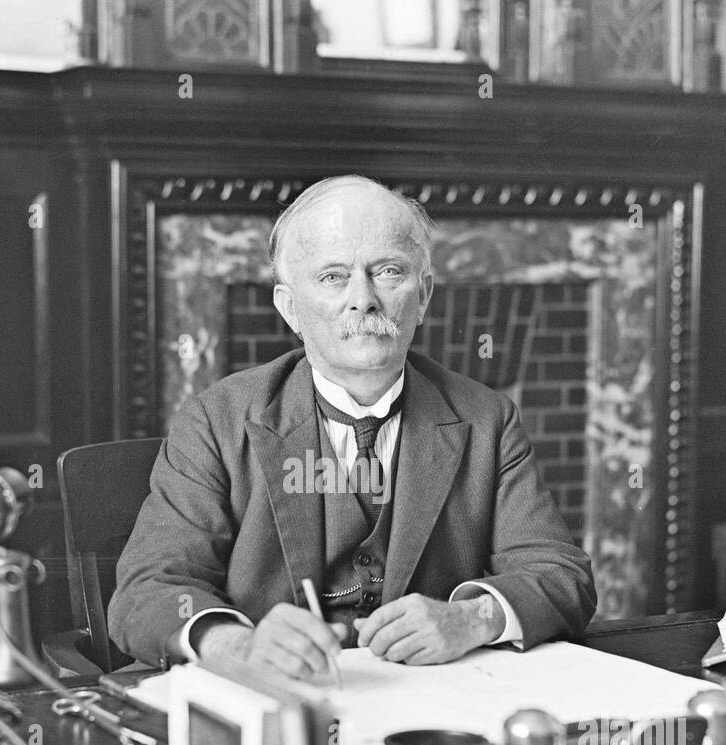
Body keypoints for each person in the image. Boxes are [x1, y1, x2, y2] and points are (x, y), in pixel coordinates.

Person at [108, 174, 595, 682]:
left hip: (432, 715)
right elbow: (148, 590)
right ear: (289, 307)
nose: (363, 299)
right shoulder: (215, 421)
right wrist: (236, 643)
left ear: (423, 295)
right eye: (333, 277)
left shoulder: (488, 420)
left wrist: (473, 618)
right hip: (279, 711)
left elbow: (562, 577)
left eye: (387, 271)